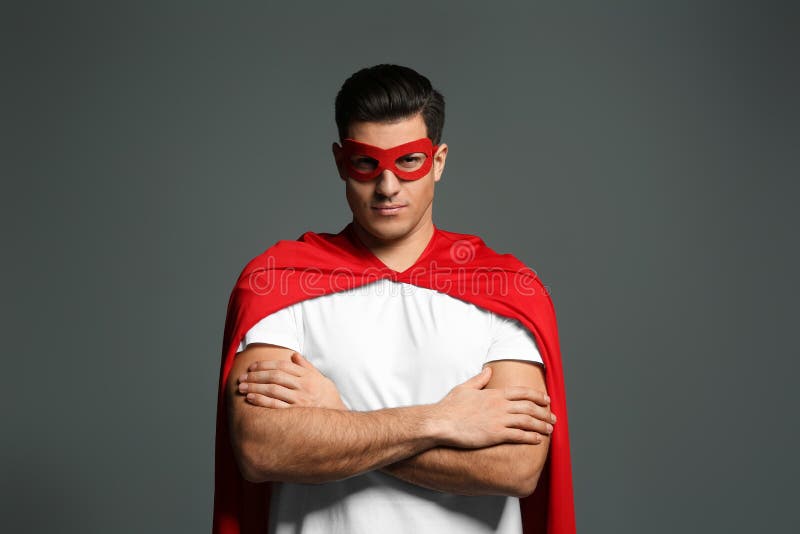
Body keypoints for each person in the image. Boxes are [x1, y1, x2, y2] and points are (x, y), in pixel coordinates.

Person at [213, 64, 575, 534]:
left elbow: (515, 467)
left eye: (408, 162)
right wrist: (440, 421)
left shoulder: (504, 287)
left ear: (439, 161)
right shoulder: (279, 283)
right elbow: (262, 450)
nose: (387, 187)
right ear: (342, 161)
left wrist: (338, 419)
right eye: (367, 163)